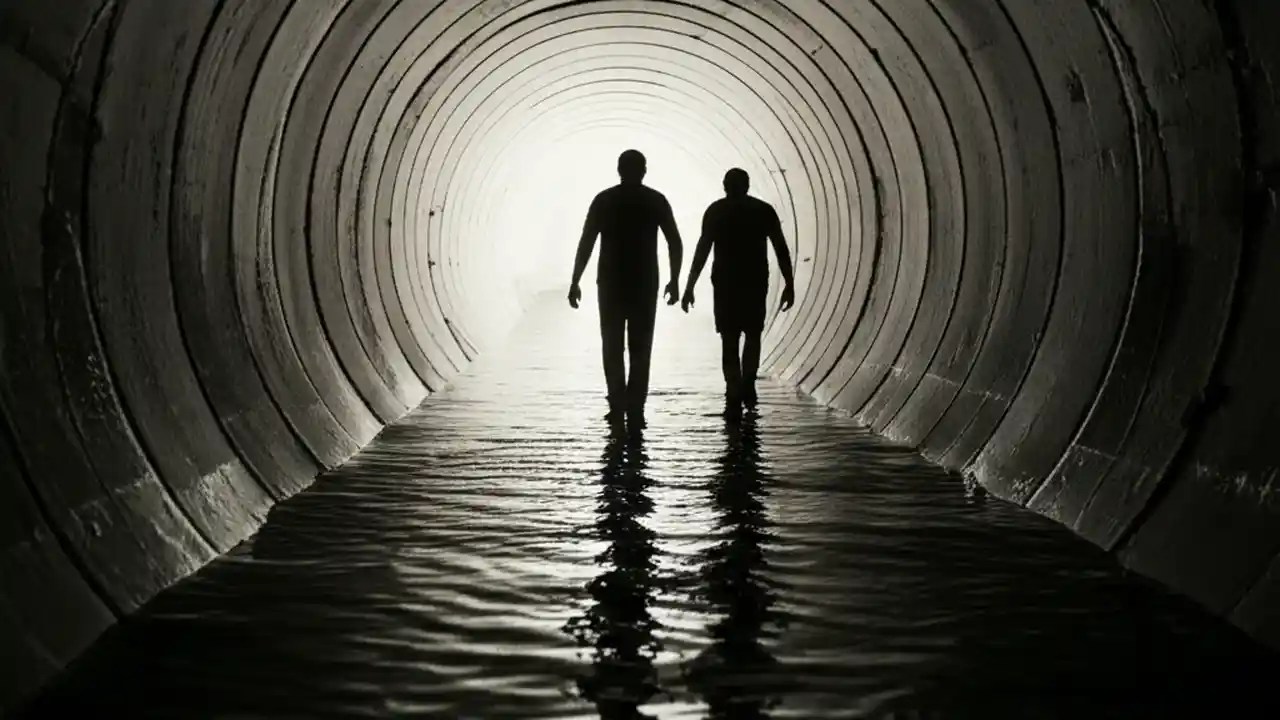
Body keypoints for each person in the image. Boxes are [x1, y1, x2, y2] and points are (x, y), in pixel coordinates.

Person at [569, 149, 684, 427]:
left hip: (610, 282)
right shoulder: (655, 200)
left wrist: (575, 280)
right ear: (644, 170)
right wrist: (674, 279)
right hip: (645, 283)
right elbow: (674, 242)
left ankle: (616, 403)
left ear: (619, 169)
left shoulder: (604, 200)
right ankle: (636, 407)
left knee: (611, 345)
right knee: (640, 347)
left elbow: (587, 241)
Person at [681, 168, 795, 410]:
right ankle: (748, 385)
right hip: (754, 282)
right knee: (753, 335)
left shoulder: (716, 211)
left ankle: (733, 388)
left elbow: (702, 250)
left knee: (729, 338)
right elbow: (780, 248)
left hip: (726, 283)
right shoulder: (763, 211)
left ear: (725, 185)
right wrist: (789, 283)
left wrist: (690, 285)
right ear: (747, 185)